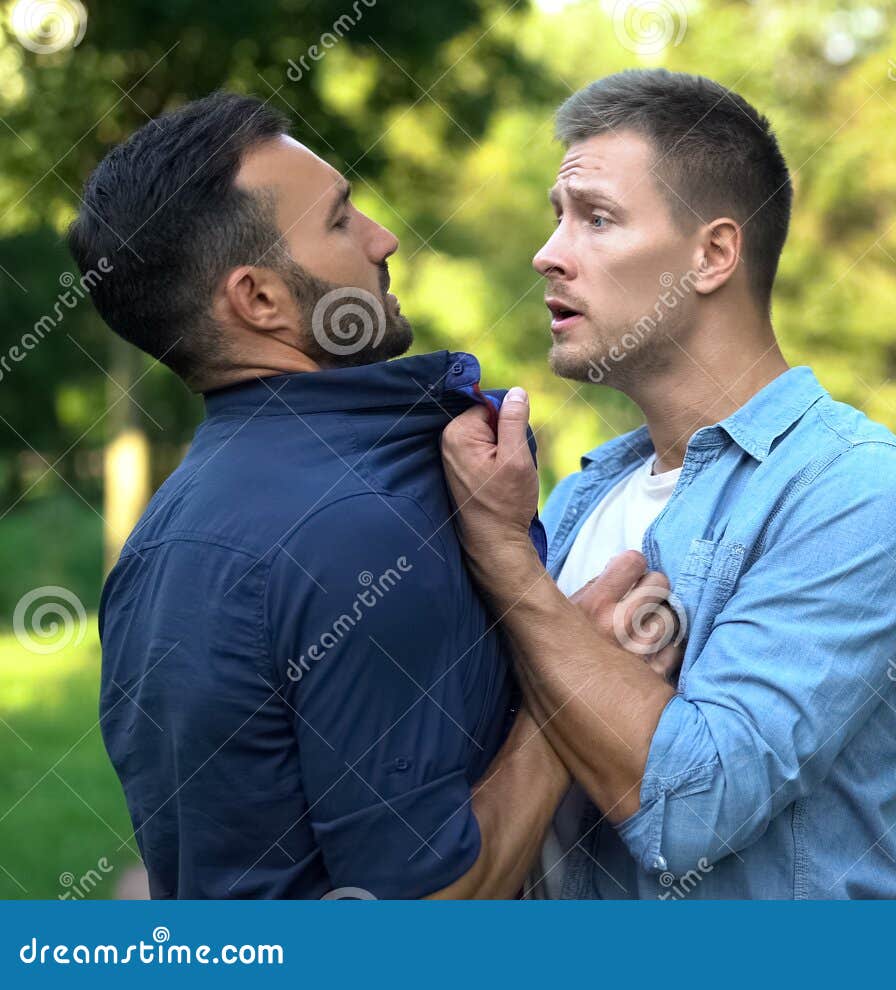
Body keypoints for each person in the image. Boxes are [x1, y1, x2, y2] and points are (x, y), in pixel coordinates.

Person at [74, 93, 663, 898]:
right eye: (340, 220)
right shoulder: (354, 532)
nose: (384, 239)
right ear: (260, 301)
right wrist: (577, 684)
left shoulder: (164, 534)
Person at [438, 70, 896, 899]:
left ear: (714, 254)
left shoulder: (863, 495)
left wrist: (504, 559)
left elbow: (692, 813)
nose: (548, 253)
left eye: (597, 218)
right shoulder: (580, 498)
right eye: (556, 217)